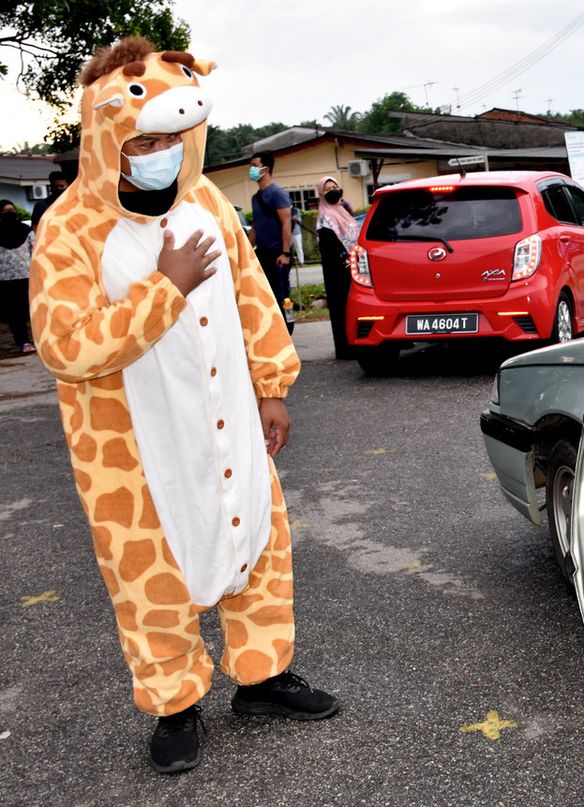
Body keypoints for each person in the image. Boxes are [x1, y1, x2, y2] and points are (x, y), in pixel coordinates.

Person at [29, 36, 338, 775]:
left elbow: (252, 296)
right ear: (108, 135)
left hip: (231, 420)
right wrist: (162, 288)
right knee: (149, 573)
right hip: (136, 447)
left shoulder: (206, 201)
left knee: (258, 544)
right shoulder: (68, 230)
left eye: (175, 136)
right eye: (147, 139)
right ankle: (173, 703)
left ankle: (262, 677)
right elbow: (64, 346)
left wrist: (271, 387)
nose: (163, 150)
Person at [247, 150, 294, 332]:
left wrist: (285, 253)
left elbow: (286, 222)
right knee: (265, 297)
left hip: (278, 255)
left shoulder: (277, 193)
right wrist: (247, 252)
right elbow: (255, 228)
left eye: (254, 165)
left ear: (265, 169)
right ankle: (273, 332)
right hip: (263, 254)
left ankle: (286, 332)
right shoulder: (256, 198)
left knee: (281, 296)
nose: (251, 169)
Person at [314, 176, 358, 360]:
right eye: (328, 188)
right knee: (340, 305)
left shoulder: (343, 211)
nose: (332, 190)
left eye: (335, 186)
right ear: (321, 194)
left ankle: (355, 344)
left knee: (353, 306)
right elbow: (329, 245)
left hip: (352, 265)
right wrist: (344, 260)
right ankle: (344, 348)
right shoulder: (325, 217)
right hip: (337, 269)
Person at [0, 200, 35, 353]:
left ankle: (38, 339)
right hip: (4, 280)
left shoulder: (26, 231)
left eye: (11, 211)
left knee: (30, 310)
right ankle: (23, 342)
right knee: (14, 313)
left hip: (27, 276)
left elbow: (36, 251)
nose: (9, 214)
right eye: (5, 212)